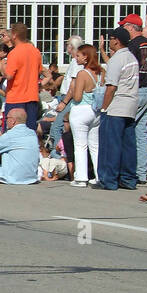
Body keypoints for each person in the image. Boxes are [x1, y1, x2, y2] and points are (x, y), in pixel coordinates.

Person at [93, 28, 139, 190]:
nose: (110, 41)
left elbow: (111, 87)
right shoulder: (132, 58)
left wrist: (104, 108)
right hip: (131, 105)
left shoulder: (116, 60)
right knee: (128, 145)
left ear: (117, 41)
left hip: (116, 107)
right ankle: (128, 178)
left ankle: (108, 179)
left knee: (110, 145)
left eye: (111, 38)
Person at [50, 43, 102, 186]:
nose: (76, 58)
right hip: (95, 111)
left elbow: (77, 96)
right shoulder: (100, 72)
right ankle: (99, 176)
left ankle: (81, 177)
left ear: (86, 57)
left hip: (81, 110)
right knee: (94, 145)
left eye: (78, 56)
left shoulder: (82, 74)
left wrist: (72, 94)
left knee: (80, 144)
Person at [121, 13, 147, 183]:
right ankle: (141, 173)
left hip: (135, 91)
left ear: (131, 27)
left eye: (124, 26)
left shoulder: (132, 45)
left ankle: (128, 171)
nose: (123, 29)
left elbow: (126, 68)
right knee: (142, 133)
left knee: (127, 130)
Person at [2, 22, 42, 130]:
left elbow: (9, 76)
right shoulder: (36, 51)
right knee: (30, 131)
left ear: (14, 35)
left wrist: (0, 62)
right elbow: (39, 72)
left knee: (12, 133)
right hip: (32, 97)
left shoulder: (14, 53)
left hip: (16, 98)